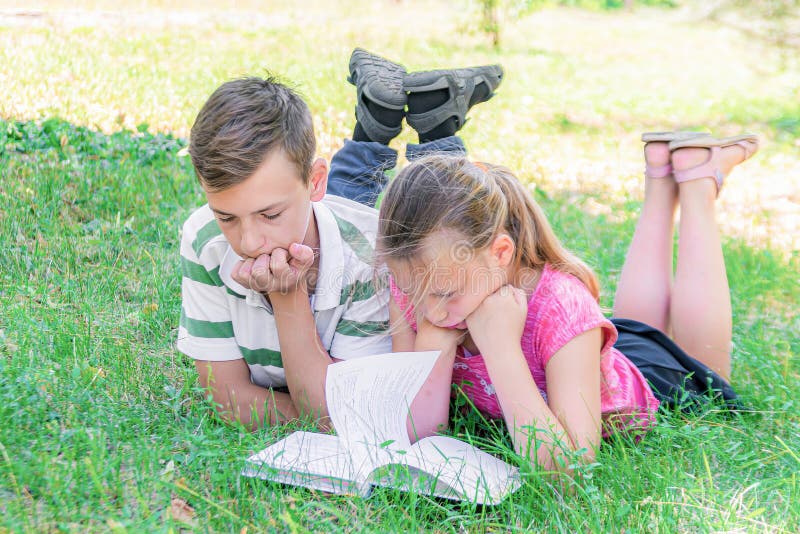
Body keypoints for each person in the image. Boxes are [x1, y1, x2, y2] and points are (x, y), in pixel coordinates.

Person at [378, 131, 758, 471]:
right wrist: (434, 347)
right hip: (583, 357)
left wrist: (502, 349)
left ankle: (699, 183)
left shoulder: (562, 305)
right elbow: (410, 439)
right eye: (413, 292)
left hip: (654, 380)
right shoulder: (420, 278)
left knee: (707, 368)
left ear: (500, 253)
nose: (431, 311)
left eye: (446, 294)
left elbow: (570, 471)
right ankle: (660, 172)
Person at [176, 48, 503, 430]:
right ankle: (385, 118)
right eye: (227, 217)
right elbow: (231, 399)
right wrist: (341, 412)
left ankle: (437, 129)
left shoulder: (376, 258)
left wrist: (288, 298)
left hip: (360, 227)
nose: (249, 243)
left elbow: (340, 411)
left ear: (315, 183)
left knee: (432, 216)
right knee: (350, 201)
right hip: (330, 221)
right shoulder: (206, 239)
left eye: (269, 215)